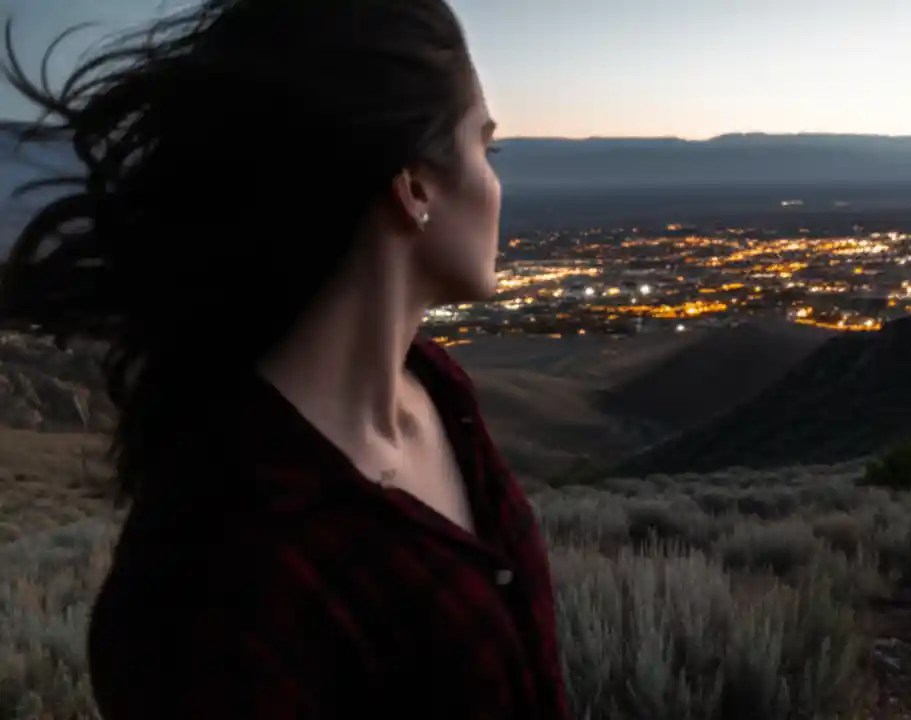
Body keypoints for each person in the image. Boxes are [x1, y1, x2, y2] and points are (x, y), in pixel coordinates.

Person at [0, 0, 571, 717]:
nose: (496, 184)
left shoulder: (438, 390)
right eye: (487, 148)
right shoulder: (216, 574)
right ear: (414, 185)